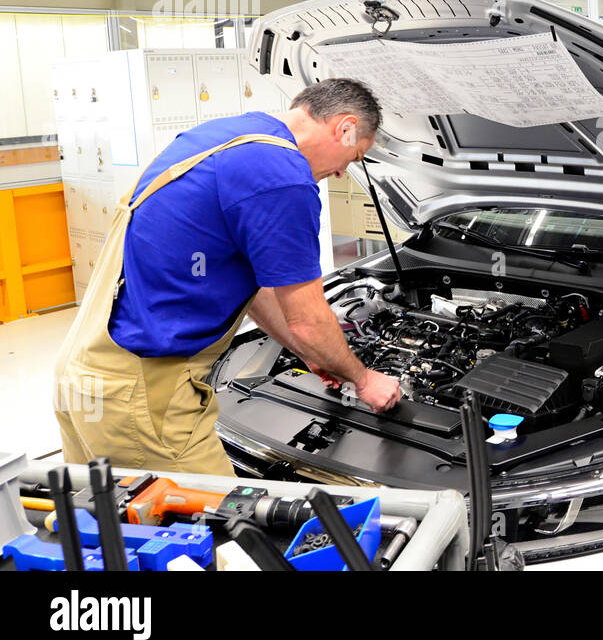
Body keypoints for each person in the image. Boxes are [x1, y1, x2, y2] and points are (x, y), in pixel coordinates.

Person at [53, 78, 402, 476]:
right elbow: (307, 320)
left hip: (85, 372)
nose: (342, 173)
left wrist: (307, 351)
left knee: (103, 529)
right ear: (345, 127)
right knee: (212, 527)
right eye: (354, 156)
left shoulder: (225, 135)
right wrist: (364, 379)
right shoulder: (284, 178)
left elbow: (249, 283)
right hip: (142, 397)